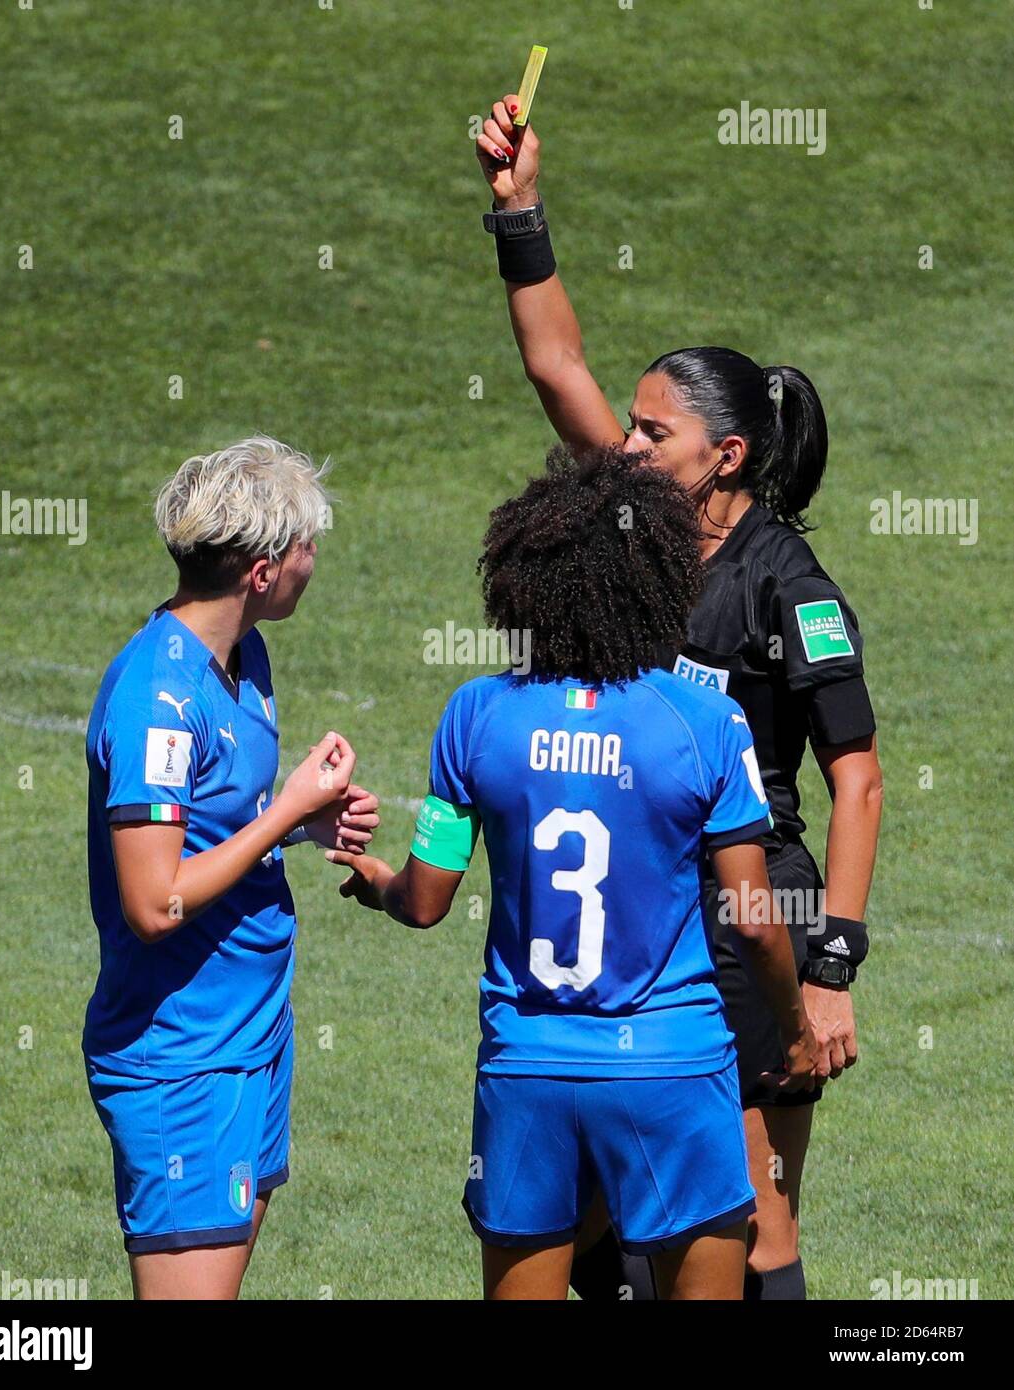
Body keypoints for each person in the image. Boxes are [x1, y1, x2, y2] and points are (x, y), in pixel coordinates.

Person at [472, 95, 884, 1301]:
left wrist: (832, 966)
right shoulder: (632, 530)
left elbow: (853, 775)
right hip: (655, 890)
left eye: (654, 431)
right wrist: (518, 211)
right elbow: (554, 361)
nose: (629, 444)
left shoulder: (789, 591)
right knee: (606, 1209)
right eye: (634, 424)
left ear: (727, 456)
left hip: (763, 900)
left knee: (753, 1211)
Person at [327, 448, 823, 1300]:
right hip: (673, 1067)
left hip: (528, 1072)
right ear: (664, 578)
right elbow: (750, 913)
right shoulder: (704, 719)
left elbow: (424, 900)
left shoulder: (475, 715)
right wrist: (792, 1027)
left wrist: (376, 885)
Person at [83, 435, 379, 1299]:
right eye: (305, 548)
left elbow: (208, 828)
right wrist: (286, 809)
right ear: (259, 572)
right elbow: (153, 900)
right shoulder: (155, 699)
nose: (314, 563)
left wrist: (296, 828)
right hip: (182, 1057)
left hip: (251, 1031)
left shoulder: (244, 658)